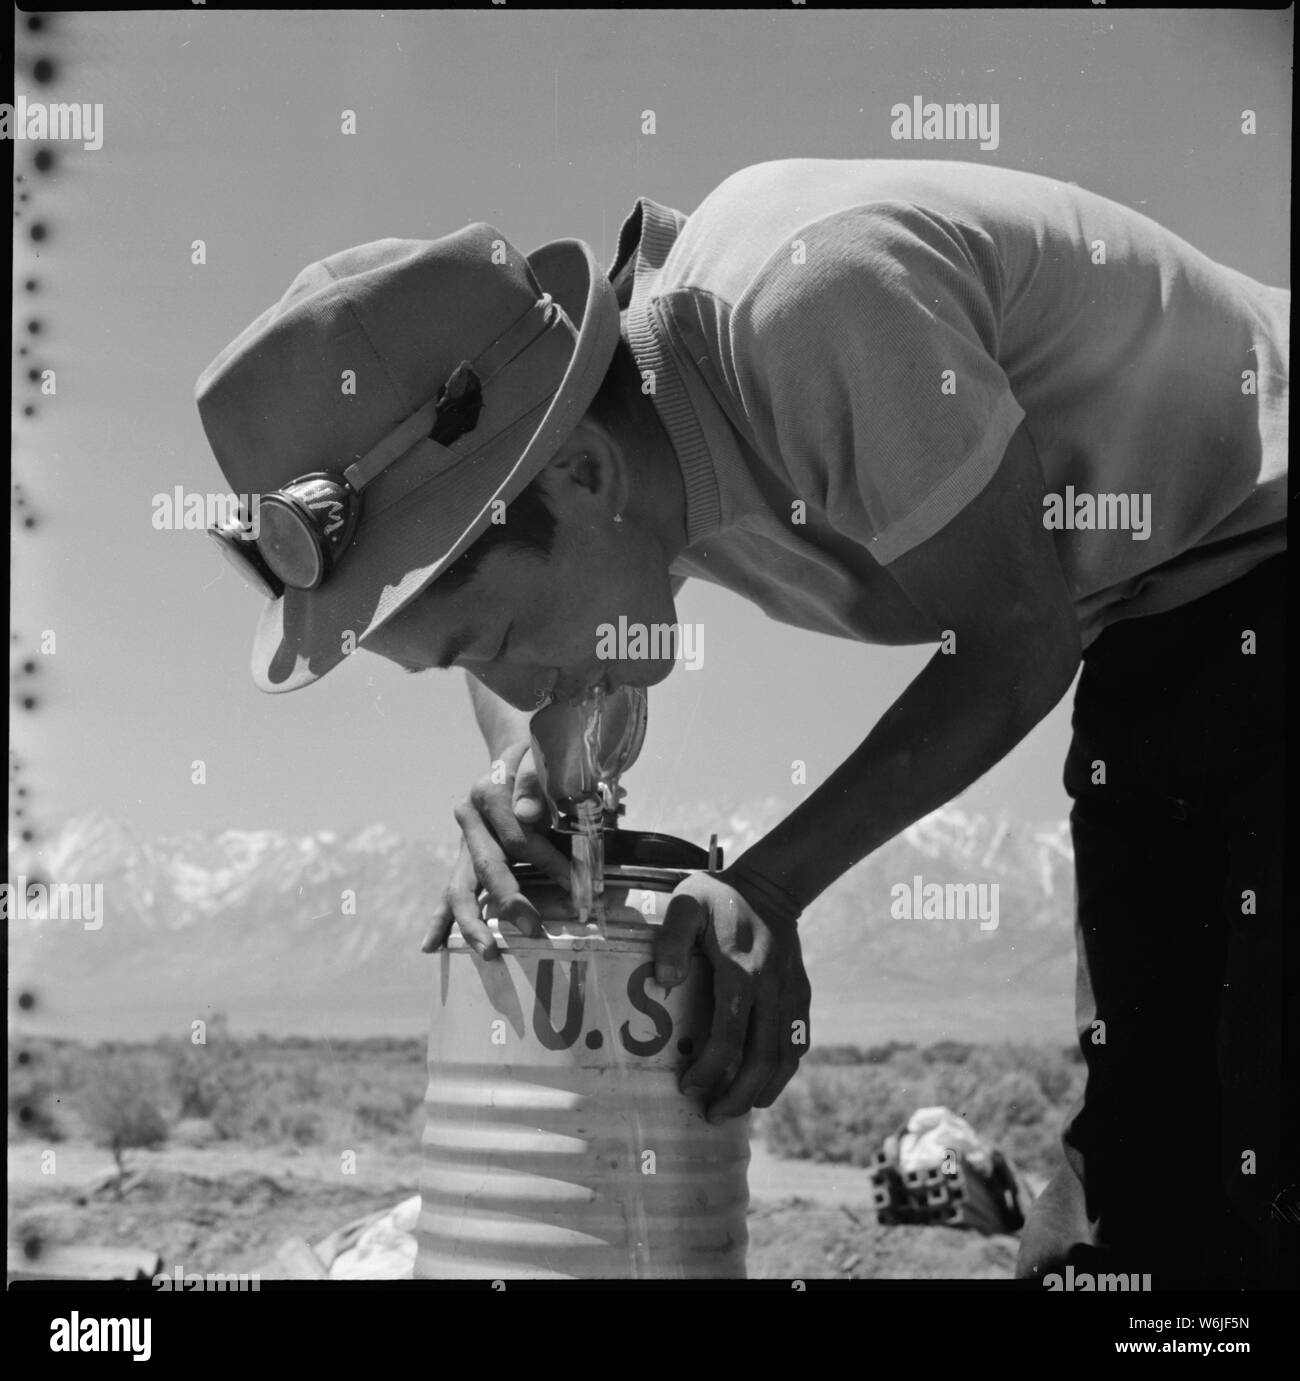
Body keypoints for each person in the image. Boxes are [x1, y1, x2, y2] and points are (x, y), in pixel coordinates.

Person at [196, 157, 1289, 1287]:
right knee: (1141, 1189)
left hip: (1269, 546)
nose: (520, 685)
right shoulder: (630, 450)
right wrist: (527, 769)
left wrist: (770, 884)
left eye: (488, 642)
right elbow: (548, 651)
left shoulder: (810, 303)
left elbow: (1013, 640)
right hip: (1160, 623)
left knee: (1268, 1145)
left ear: (578, 473)